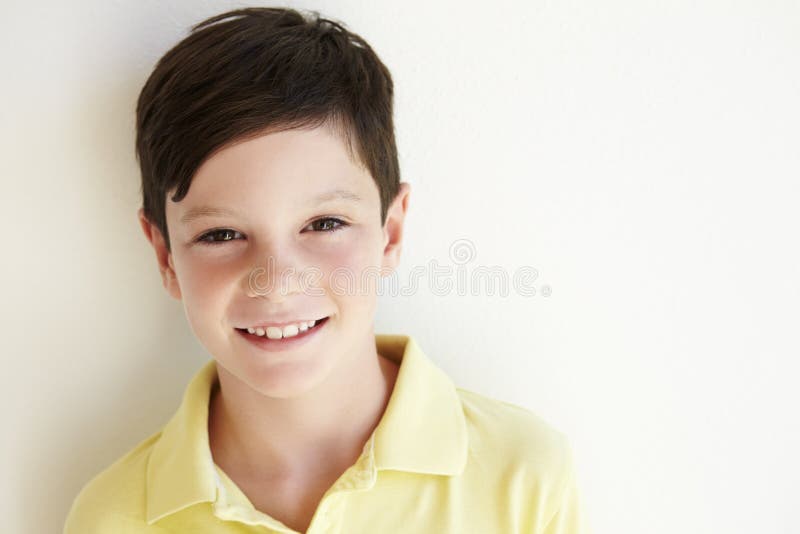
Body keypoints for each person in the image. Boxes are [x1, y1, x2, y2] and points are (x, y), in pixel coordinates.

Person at [64, 7, 587, 533]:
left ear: (392, 232)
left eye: (324, 223)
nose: (277, 281)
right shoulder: (112, 517)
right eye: (220, 235)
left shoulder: (522, 477)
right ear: (165, 256)